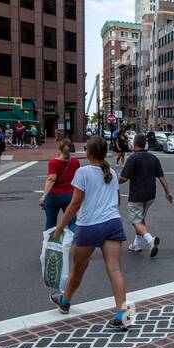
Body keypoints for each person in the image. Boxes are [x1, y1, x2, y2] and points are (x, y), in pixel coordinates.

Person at [49, 137, 130, 331]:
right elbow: (117, 201)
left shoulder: (82, 172)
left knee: (79, 267)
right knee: (115, 269)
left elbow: (75, 203)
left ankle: (65, 301)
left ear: (88, 152)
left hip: (90, 225)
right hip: (113, 223)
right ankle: (122, 315)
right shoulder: (110, 171)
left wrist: (59, 228)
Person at [119, 133, 173, 256]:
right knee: (141, 218)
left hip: (136, 196)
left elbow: (123, 178)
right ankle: (136, 245)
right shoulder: (153, 158)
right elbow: (161, 177)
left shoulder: (133, 158)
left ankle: (150, 240)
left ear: (136, 144)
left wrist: (111, 182)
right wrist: (167, 192)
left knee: (136, 221)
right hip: (150, 196)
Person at [39, 139, 80, 232]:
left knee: (50, 224)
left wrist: (43, 196)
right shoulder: (76, 162)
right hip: (70, 195)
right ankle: (78, 244)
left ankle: (49, 245)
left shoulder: (53, 163)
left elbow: (51, 179)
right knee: (72, 223)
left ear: (59, 149)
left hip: (53, 196)